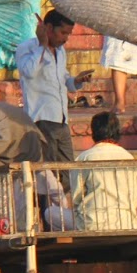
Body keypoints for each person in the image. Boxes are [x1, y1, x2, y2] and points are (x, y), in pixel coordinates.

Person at [16, 9, 92, 165]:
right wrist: (42, 46)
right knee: (48, 172)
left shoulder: (60, 51)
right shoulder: (27, 48)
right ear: (49, 28)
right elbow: (29, 72)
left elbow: (63, 81)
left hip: (61, 119)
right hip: (41, 119)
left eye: (68, 34)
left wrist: (77, 80)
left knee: (68, 171)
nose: (66, 39)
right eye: (63, 33)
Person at [71, 112, 137, 232]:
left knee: (50, 213)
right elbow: (134, 197)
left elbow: (76, 197)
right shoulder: (129, 157)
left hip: (92, 223)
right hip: (126, 222)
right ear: (117, 132)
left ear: (93, 133)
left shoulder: (84, 158)